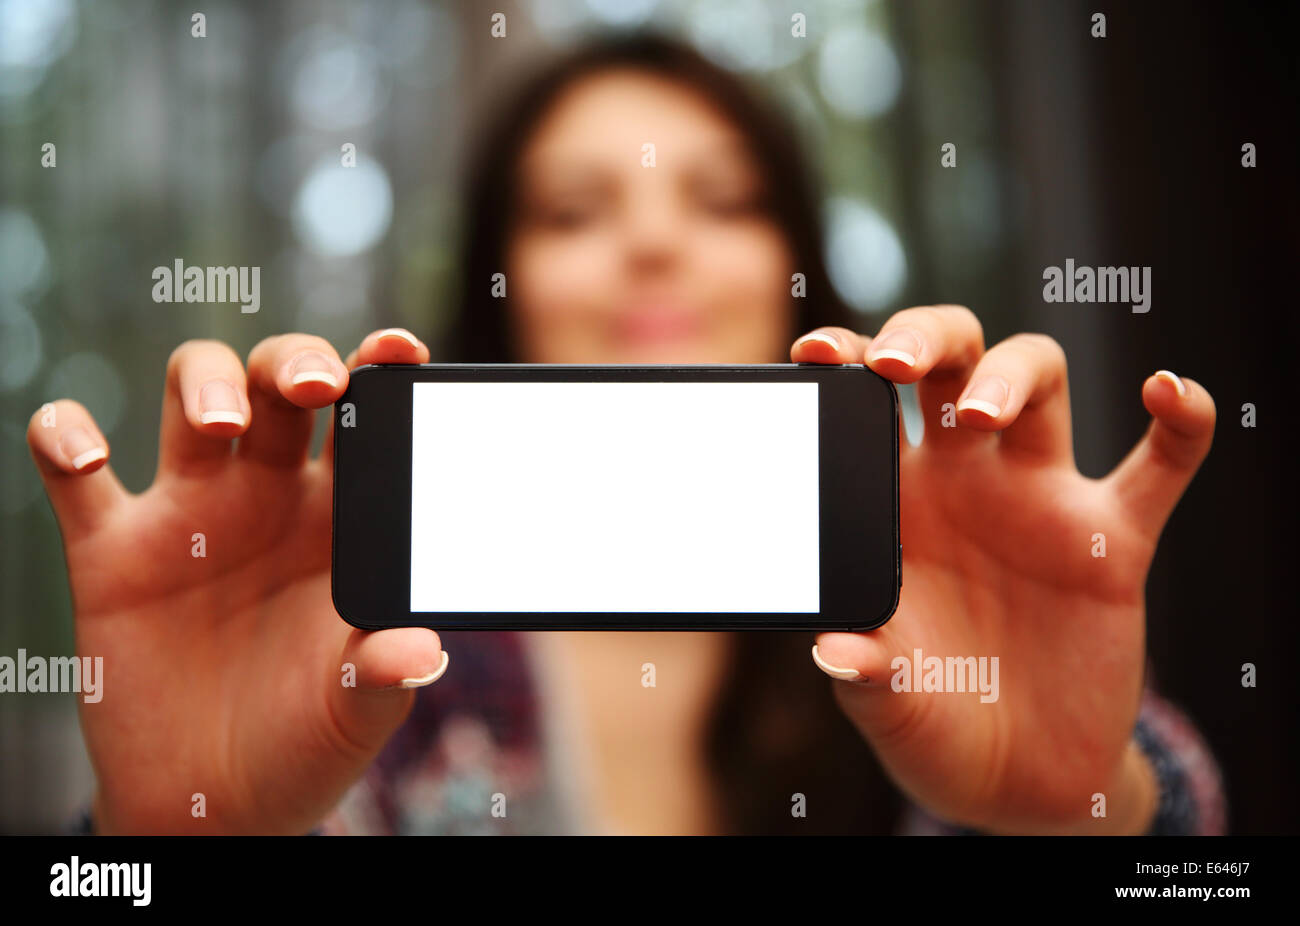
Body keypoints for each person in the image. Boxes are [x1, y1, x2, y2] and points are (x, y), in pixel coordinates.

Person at [31, 34, 1224, 836]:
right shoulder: (362, 669)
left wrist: (1094, 810)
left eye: (722, 198)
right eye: (571, 209)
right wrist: (156, 841)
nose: (653, 243)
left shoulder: (935, 611)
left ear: (797, 263)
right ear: (501, 285)